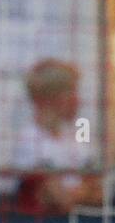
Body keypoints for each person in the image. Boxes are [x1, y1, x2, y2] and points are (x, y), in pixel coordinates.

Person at [14, 58, 102, 214]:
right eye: (71, 93)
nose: (77, 100)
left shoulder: (79, 134)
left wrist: (75, 194)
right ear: (50, 98)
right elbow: (59, 201)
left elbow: (99, 194)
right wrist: (82, 193)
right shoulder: (28, 139)